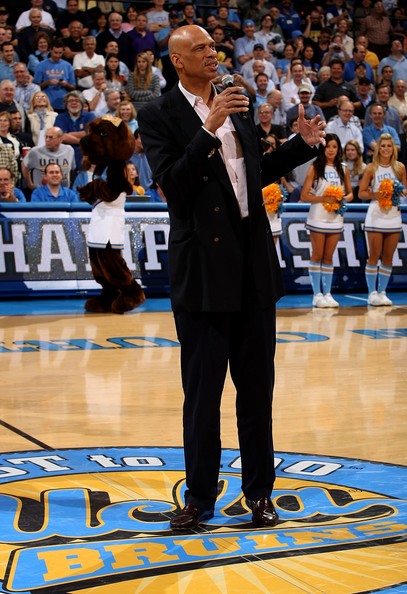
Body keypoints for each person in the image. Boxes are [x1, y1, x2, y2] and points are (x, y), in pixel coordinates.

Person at [137, 24, 326, 531]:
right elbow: (174, 186)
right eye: (199, 49)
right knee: (202, 396)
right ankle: (199, 497)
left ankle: (260, 494)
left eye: (212, 46)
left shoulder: (234, 98)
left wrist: (299, 147)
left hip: (252, 269)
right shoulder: (158, 113)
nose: (211, 54)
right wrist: (207, 129)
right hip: (202, 273)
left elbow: (253, 170)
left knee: (257, 392)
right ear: (177, 60)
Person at [300, 133, 353, 308]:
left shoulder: (343, 168)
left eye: (334, 147)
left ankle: (328, 293)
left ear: (338, 149)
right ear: (323, 148)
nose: (331, 150)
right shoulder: (315, 166)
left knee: (329, 256)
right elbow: (304, 195)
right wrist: (325, 199)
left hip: (336, 217)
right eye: (328, 146)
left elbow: (351, 193)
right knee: (317, 255)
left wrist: (341, 199)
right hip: (318, 216)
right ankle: (317, 295)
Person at [358, 133, 407, 306]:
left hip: (393, 215)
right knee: (374, 256)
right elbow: (361, 193)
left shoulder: (400, 167)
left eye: (389, 146)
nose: (386, 149)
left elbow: (405, 190)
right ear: (379, 148)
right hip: (376, 215)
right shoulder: (372, 168)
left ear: (393, 148)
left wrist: (398, 191)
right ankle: (372, 292)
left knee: (388, 257)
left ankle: (383, 292)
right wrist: (378, 194)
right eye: (383, 146)